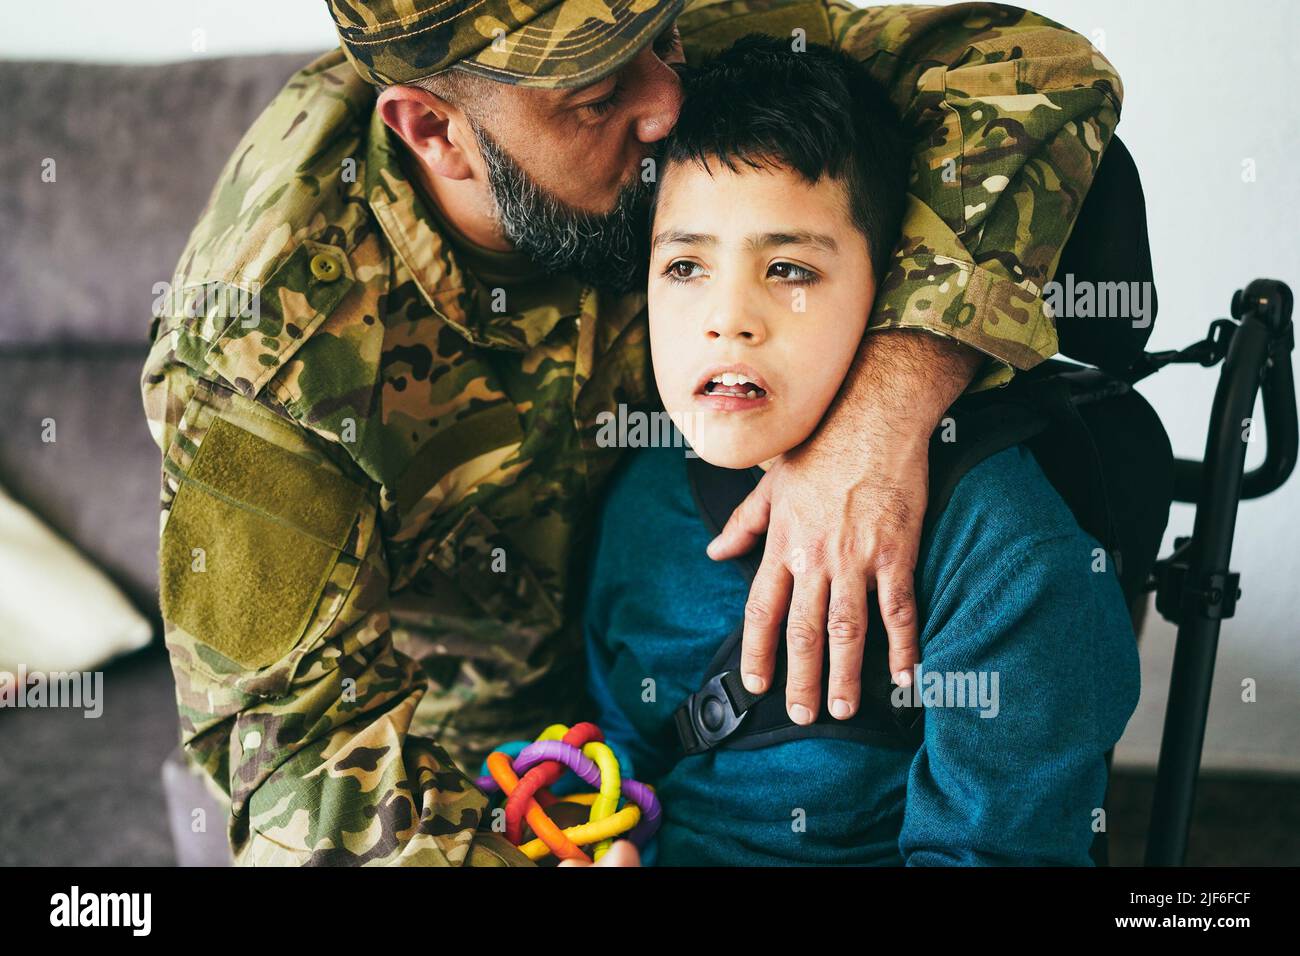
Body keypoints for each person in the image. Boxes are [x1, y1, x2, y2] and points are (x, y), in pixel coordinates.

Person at [140, 0, 1124, 865]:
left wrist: (878, 419)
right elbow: (285, 753)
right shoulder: (263, 348)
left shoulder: (646, 42)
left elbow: (1042, 74)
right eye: (594, 94)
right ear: (436, 132)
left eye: (656, 38)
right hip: (478, 752)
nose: (664, 103)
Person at [582, 35, 1140, 866]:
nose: (729, 318)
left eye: (791, 270)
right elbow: (621, 748)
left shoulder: (1007, 553)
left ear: (891, 295)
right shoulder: (644, 499)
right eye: (687, 266)